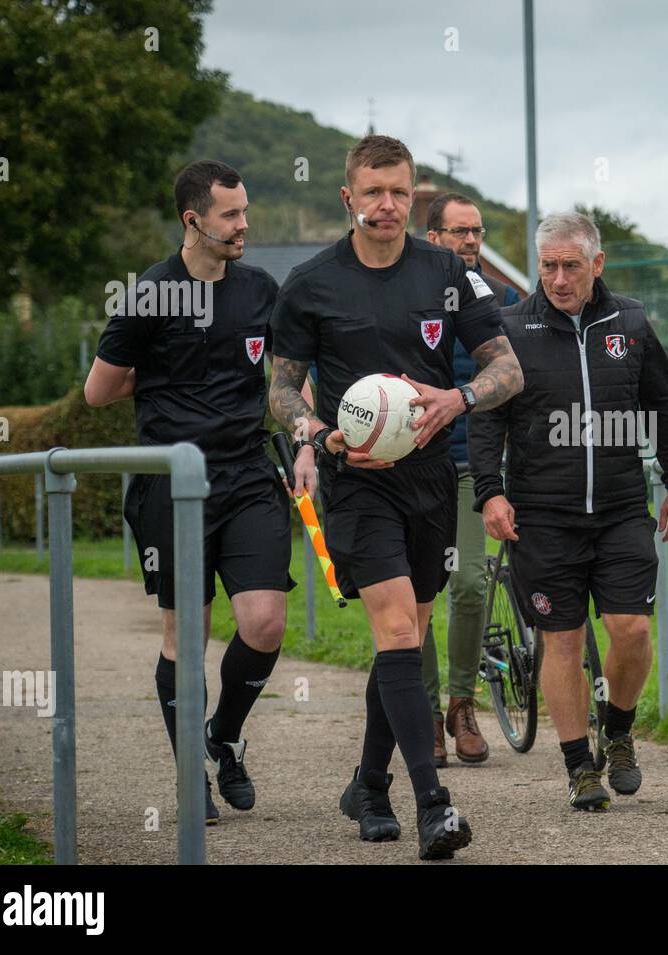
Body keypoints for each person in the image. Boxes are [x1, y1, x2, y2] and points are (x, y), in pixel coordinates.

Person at [267, 135, 522, 860]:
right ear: (348, 197)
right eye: (373, 191)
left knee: (405, 630)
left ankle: (369, 783)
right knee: (399, 632)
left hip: (432, 480)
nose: (387, 204)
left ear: (414, 196)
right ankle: (433, 806)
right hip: (358, 483)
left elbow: (506, 370)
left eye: (400, 191)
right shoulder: (312, 284)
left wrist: (460, 396)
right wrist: (315, 430)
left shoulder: (448, 272)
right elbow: (281, 386)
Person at [85, 159, 308, 825]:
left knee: (265, 622)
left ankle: (224, 736)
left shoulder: (260, 288)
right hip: (173, 483)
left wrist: (304, 439)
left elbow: (286, 378)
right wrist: (161, 385)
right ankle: (192, 776)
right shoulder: (150, 293)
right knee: (189, 630)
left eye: (244, 210)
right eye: (231, 215)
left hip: (246, 474)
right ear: (194, 220)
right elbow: (101, 389)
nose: (245, 224)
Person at [469, 211, 668, 811]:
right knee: (561, 641)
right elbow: (487, 418)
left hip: (621, 509)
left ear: (598, 264)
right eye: (548, 265)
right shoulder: (509, 327)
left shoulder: (633, 323)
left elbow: (665, 408)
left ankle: (617, 733)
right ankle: (577, 766)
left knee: (632, 630)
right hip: (543, 515)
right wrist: (489, 491)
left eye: (571, 265)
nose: (559, 277)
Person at [421, 192, 522, 766]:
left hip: (470, 469)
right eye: (459, 231)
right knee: (415, 595)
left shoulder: (504, 299)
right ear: (432, 237)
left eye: (478, 231)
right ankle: (426, 715)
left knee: (467, 586)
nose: (471, 241)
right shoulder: (407, 293)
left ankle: (462, 703)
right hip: (407, 465)